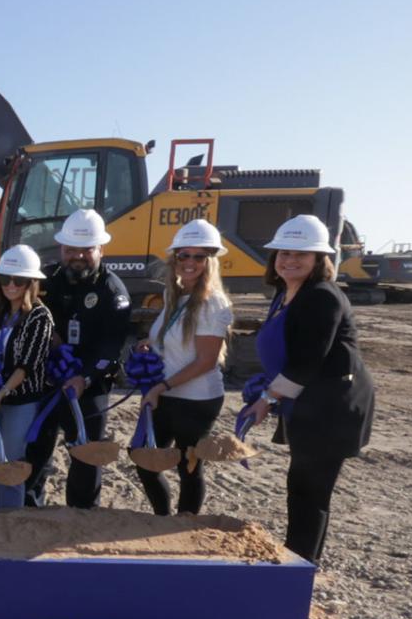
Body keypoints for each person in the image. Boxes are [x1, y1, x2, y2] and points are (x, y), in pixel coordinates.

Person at [245, 215, 374, 564]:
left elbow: (307, 361)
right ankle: (299, 559)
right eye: (283, 253)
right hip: (306, 404)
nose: (289, 260)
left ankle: (300, 566)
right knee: (299, 486)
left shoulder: (321, 297)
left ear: (320, 260)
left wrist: (268, 398)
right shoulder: (287, 293)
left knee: (310, 492)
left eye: (301, 254)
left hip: (330, 409)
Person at [23, 209, 133, 508]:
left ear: (101, 250)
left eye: (87, 249)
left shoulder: (113, 291)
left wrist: (83, 377)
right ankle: (29, 510)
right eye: (71, 249)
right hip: (46, 381)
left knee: (85, 454)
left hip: (88, 385)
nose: (78, 256)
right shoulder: (48, 279)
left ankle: (81, 515)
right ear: (62, 249)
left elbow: (111, 347)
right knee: (35, 449)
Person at [133, 220, 233, 515]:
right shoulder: (173, 296)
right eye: (184, 255)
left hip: (196, 400)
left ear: (210, 261)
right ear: (174, 259)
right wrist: (151, 346)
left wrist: (161, 387)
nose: (190, 262)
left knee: (188, 467)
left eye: (199, 256)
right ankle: (164, 520)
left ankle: (185, 525)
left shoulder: (213, 304)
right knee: (145, 461)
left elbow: (206, 360)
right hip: (165, 394)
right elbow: (172, 339)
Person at [0, 245, 54, 509]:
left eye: (18, 280)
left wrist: (0, 394)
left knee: (10, 463)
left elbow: (27, 365)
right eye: (5, 278)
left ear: (30, 283)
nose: (11, 285)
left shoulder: (39, 317)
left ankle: (11, 519)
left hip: (20, 401)